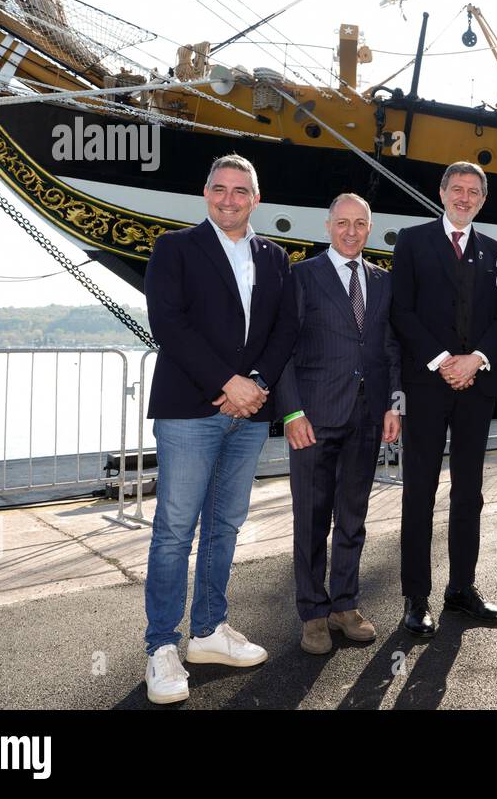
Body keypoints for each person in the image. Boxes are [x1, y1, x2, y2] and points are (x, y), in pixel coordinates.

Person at [141, 154, 299, 704]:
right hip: (190, 410)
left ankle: (207, 632)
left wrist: (254, 382)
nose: (228, 199)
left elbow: (284, 329)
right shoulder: (175, 249)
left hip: (251, 411)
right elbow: (169, 324)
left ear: (256, 198)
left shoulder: (275, 256)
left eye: (240, 191)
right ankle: (162, 645)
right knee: (174, 531)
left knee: (225, 527)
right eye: (219, 189)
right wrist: (226, 382)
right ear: (205, 192)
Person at [390, 161, 497, 638]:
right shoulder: (413, 241)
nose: (464, 197)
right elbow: (401, 310)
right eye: (457, 189)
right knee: (418, 491)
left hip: (476, 385)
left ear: (482, 199)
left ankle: (461, 588)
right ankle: (415, 596)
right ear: (442, 192)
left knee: (470, 492)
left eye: (473, 192)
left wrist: (476, 358)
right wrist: (443, 359)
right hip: (427, 385)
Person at [275, 194, 402, 653]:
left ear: (370, 228)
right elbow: (283, 349)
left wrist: (394, 405)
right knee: (310, 520)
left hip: (366, 419)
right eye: (343, 223)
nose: (351, 231)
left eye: (360, 224)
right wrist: (291, 411)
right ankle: (312, 612)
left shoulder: (383, 282)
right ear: (328, 226)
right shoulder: (301, 276)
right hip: (312, 419)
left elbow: (390, 350)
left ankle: (344, 604)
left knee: (353, 518)